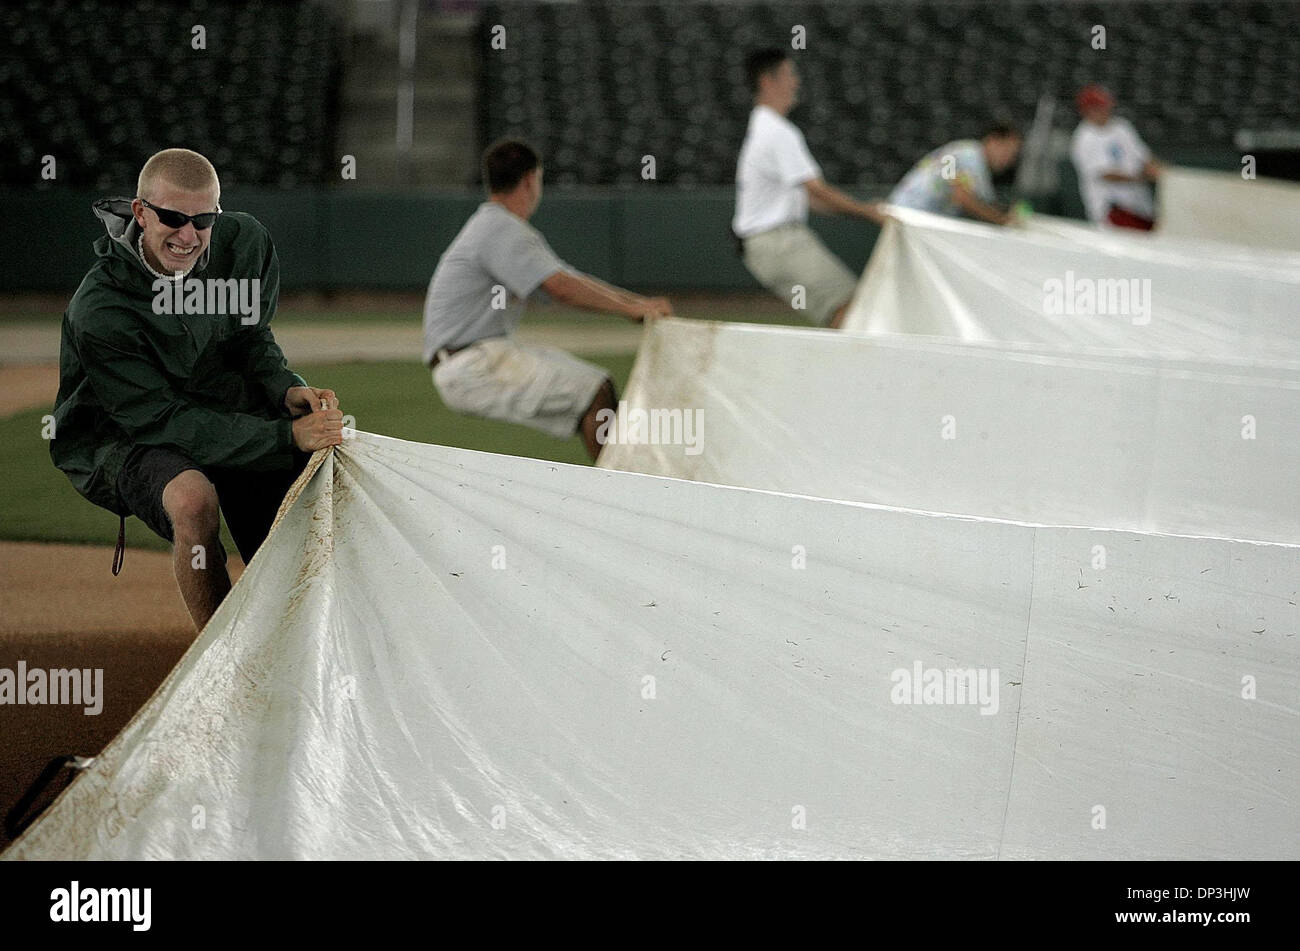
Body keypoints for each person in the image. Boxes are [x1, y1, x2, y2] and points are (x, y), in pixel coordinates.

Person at [50, 148, 343, 630]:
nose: (188, 236)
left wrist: (283, 388)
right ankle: (222, 659)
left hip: (213, 403)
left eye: (203, 219)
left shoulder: (243, 243)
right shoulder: (101, 309)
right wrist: (282, 437)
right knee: (192, 498)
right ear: (140, 213)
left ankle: (305, 634)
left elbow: (250, 337)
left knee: (310, 476)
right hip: (121, 432)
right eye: (172, 218)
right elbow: (160, 419)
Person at [423, 139, 672, 461]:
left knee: (596, 389)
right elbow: (562, 287)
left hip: (474, 357)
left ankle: (621, 485)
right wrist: (632, 308)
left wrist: (637, 303)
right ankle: (621, 493)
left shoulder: (493, 224)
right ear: (530, 180)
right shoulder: (501, 228)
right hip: (472, 366)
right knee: (594, 391)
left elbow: (566, 278)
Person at [732, 48, 888, 330]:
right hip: (778, 240)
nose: (796, 81)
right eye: (790, 74)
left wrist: (862, 213)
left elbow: (810, 200)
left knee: (845, 312)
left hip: (767, 244)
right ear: (768, 81)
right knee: (849, 311)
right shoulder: (777, 131)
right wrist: (869, 213)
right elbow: (817, 190)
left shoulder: (765, 127)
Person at [1070, 85, 1165, 230]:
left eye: (1105, 106)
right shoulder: (1083, 138)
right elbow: (1104, 174)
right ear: (1087, 111)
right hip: (1111, 210)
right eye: (1098, 107)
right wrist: (1142, 177)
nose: (1104, 111)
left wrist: (1163, 172)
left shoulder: (1122, 127)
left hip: (1140, 206)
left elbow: (1144, 157)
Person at [889, 124, 1023, 224]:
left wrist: (1003, 213)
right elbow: (961, 197)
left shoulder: (976, 162)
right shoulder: (968, 155)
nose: (1009, 160)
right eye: (1008, 151)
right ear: (992, 141)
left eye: (1013, 156)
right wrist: (1001, 220)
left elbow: (982, 201)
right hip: (909, 215)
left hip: (918, 217)